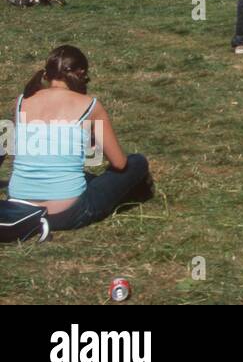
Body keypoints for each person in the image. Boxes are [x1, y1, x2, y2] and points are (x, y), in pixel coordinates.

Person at [6, 45, 151, 230]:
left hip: (19, 208)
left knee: (85, 176)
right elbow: (119, 163)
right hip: (64, 214)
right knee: (136, 162)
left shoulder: (22, 101)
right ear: (81, 73)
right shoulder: (90, 105)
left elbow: (42, 146)